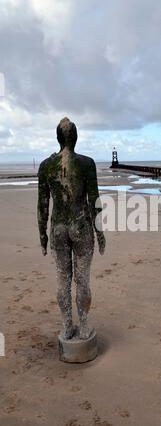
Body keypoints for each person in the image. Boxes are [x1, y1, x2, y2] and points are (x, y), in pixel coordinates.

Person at [37, 117, 105, 340]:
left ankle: (67, 326)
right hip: (81, 226)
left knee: (62, 280)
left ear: (58, 138)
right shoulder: (87, 164)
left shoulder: (47, 166)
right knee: (82, 280)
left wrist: (42, 234)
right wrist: (100, 233)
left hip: (58, 228)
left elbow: (43, 205)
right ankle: (84, 327)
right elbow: (94, 201)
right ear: (75, 138)